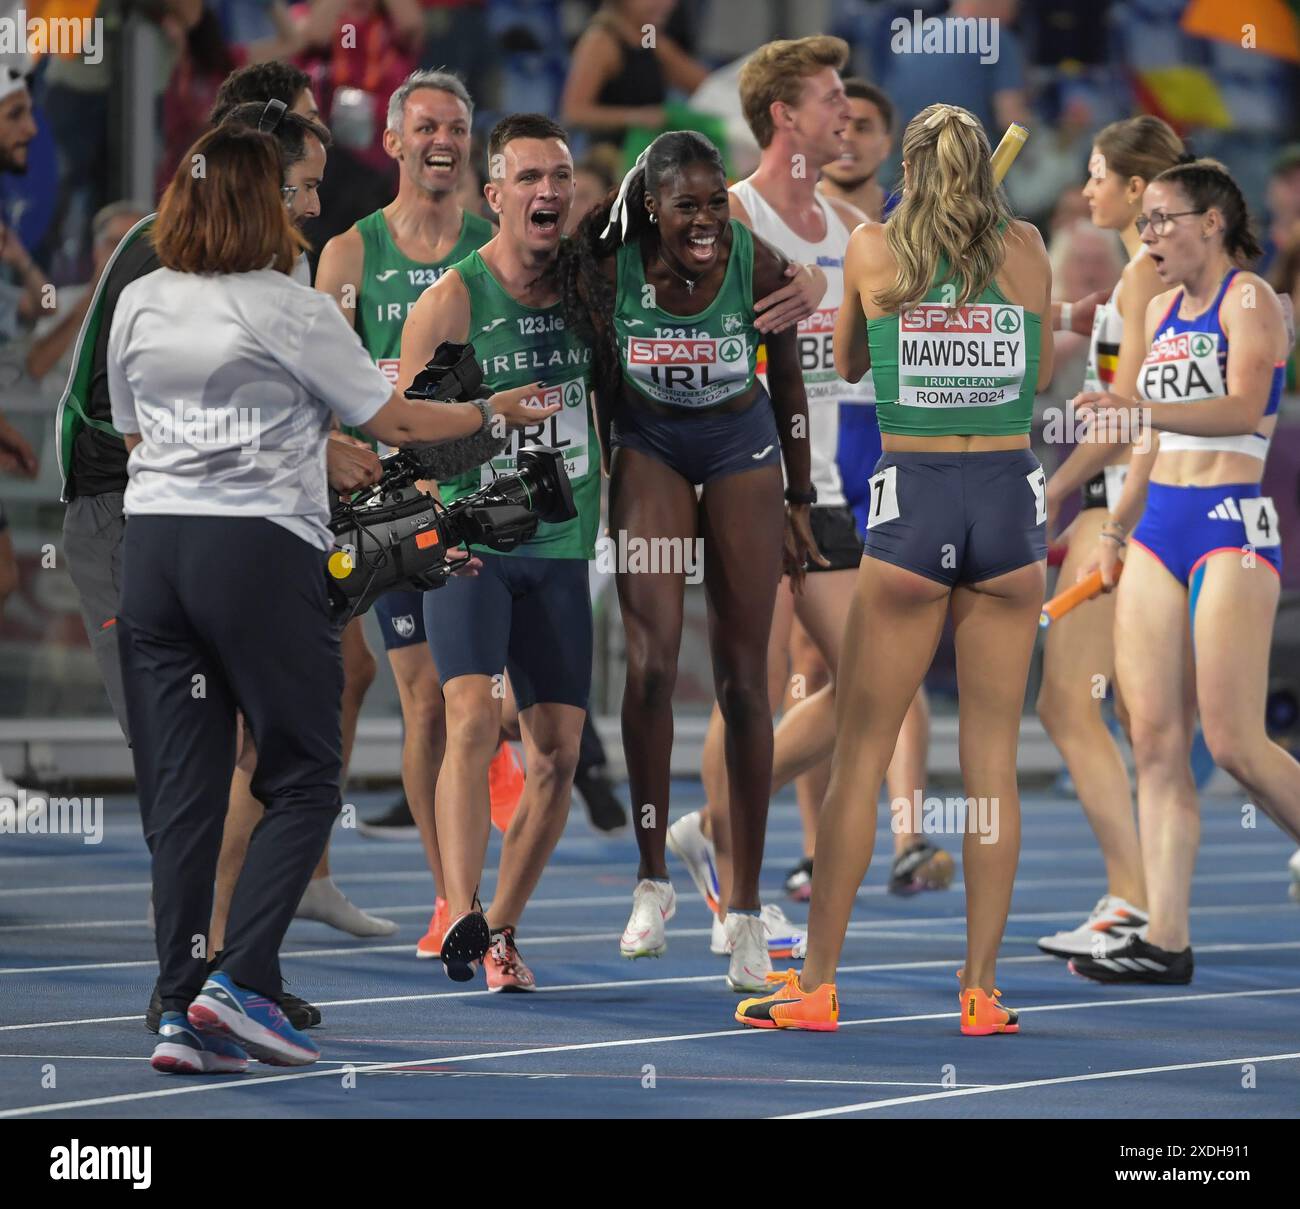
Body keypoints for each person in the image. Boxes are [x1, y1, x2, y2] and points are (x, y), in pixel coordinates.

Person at [111, 122, 549, 1074]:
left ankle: (176, 1006)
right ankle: (243, 979)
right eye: (292, 193)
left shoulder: (141, 298)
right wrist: (489, 412)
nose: (306, 208)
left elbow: (135, 433)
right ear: (256, 205)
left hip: (152, 551)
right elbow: (391, 418)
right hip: (255, 551)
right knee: (306, 768)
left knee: (186, 795)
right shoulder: (293, 306)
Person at [54, 62, 380, 1035]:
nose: (318, 192)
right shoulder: (181, 251)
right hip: (127, 515)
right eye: (304, 165)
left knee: (233, 760)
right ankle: (197, 988)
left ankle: (236, 973)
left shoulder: (238, 251)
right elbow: (134, 421)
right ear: (255, 165)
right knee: (180, 775)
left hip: (177, 523)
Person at [737, 102, 1053, 1034]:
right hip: (1005, 501)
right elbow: (1032, 377)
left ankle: (821, 985)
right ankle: (982, 991)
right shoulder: (1028, 246)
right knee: (989, 763)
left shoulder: (874, 249)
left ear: (909, 169)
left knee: (862, 757)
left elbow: (848, 362)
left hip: (914, 502)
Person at [667, 38, 946, 971]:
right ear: (784, 116)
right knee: (751, 680)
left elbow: (873, 365)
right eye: (830, 100)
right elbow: (671, 354)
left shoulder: (851, 229)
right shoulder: (722, 218)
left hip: (838, 490)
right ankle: (729, 885)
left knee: (875, 680)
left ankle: (709, 830)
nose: (846, 116)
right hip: (746, 483)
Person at [561, 128, 819, 993]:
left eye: (716, 202)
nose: (705, 221)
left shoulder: (761, 263)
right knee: (651, 665)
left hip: (742, 451)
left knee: (745, 680)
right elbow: (559, 281)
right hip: (653, 450)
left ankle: (742, 910)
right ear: (651, 207)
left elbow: (787, 380)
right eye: (687, 207)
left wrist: (801, 497)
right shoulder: (612, 262)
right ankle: (652, 881)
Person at [1070, 159, 1300, 983]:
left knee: (1235, 740)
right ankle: (1165, 937)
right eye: (1147, 220)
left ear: (1212, 222)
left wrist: (1140, 407)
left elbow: (1242, 409)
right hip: (1160, 525)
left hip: (1230, 524)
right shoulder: (1162, 307)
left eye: (1165, 218)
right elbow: (1150, 439)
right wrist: (1118, 526)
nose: (1150, 233)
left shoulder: (1252, 300)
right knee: (1155, 740)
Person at [396, 113, 599, 991]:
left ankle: (503, 930)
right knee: (472, 715)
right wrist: (451, 512)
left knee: (557, 753)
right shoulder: (454, 300)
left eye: (560, 177)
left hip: (561, 544)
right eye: (528, 179)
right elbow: (408, 432)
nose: (547, 192)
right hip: (474, 545)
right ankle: (461, 908)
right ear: (494, 196)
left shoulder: (591, 291)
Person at [315, 68, 512, 962]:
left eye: (458, 127)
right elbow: (318, 377)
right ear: (392, 141)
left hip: (481, 503)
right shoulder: (351, 256)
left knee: (475, 702)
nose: (443, 141)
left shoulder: (494, 246)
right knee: (424, 698)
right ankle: (449, 898)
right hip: (393, 508)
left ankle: (472, 865)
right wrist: (336, 456)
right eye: (425, 125)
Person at [1034, 117, 1186, 962]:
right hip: (1141, 494)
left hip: (1120, 496)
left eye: (1097, 173)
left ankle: (1130, 896)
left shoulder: (1140, 276)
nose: (1084, 188)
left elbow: (1126, 414)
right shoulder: (1166, 273)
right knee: (1146, 718)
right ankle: (1143, 899)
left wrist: (1055, 494)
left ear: (1136, 188)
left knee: (1068, 702)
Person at [561, 0, 707, 149]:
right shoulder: (600, 40)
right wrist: (635, 117)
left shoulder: (648, 37)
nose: (665, 4)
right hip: (609, 158)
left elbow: (706, 84)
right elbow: (574, 113)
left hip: (649, 154)